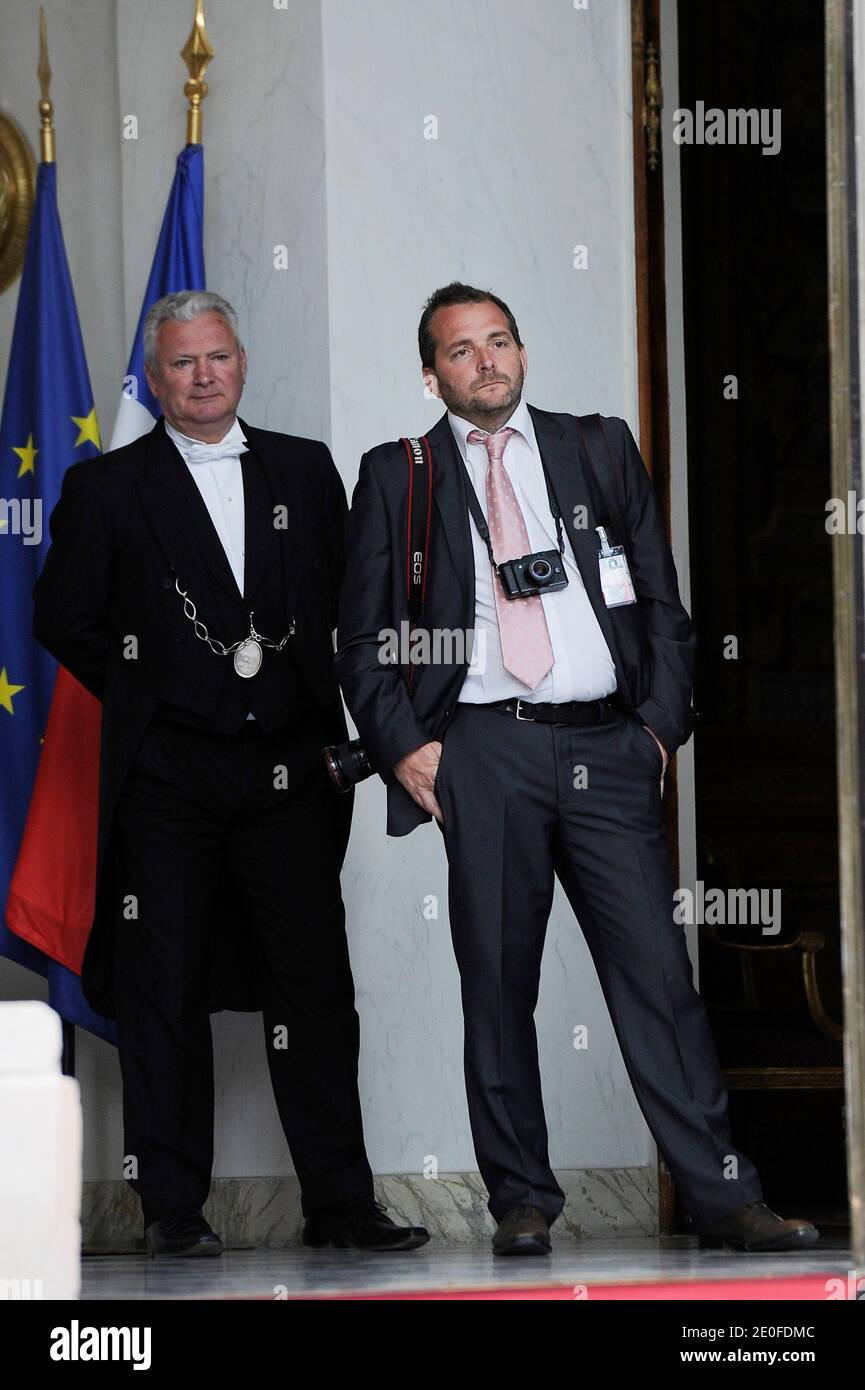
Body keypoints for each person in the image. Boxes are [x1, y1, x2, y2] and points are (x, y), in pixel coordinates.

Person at [334, 281, 818, 1256]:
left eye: (500, 340)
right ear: (430, 373)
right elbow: (364, 635)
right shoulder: (403, 474)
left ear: (522, 351)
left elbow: (661, 603)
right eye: (462, 350)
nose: (487, 361)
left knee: (657, 982)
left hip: (608, 743)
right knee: (498, 984)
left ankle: (727, 1197)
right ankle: (521, 1200)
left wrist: (654, 732)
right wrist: (406, 747)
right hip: (484, 748)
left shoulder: (596, 447)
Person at [33, 290, 428, 1257]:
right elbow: (62, 618)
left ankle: (341, 1205)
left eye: (217, 358)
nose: (203, 376)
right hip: (166, 775)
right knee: (164, 988)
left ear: (241, 362)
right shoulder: (106, 486)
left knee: (315, 987)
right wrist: (150, 686)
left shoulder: (304, 466)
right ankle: (171, 1209)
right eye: (181, 363)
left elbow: (352, 605)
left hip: (293, 769)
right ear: (156, 376)